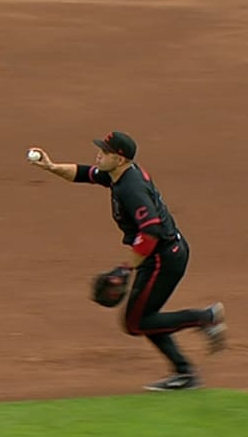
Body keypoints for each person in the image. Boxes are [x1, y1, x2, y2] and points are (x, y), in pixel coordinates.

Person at [27, 131, 227, 391]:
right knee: (142, 318)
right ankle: (185, 371)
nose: (99, 154)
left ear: (120, 159)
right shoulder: (117, 175)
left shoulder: (131, 188)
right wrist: (51, 166)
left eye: (105, 151)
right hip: (159, 255)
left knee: (136, 321)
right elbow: (83, 174)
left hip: (164, 258)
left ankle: (205, 320)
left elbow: (151, 231)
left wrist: (126, 268)